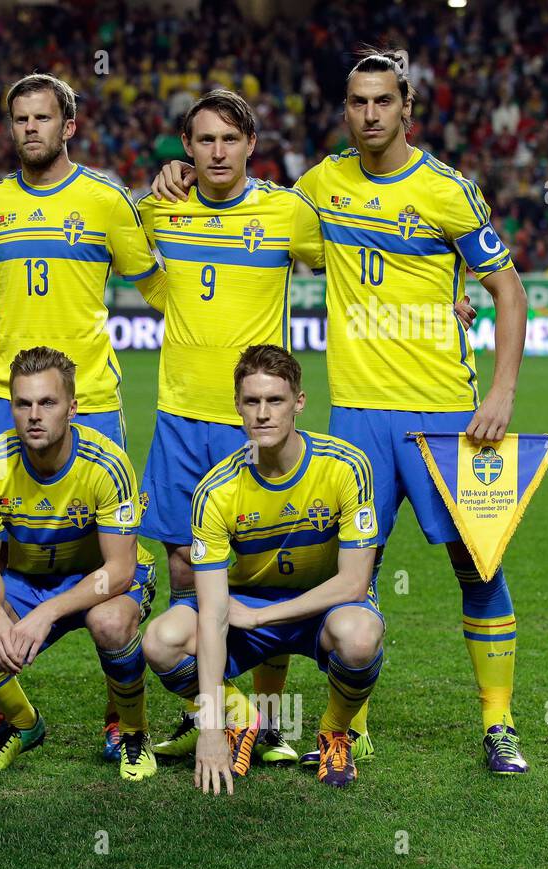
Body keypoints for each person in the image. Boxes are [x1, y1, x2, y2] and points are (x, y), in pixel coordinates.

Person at [151, 49, 525, 774]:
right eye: (357, 102)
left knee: (479, 565)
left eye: (383, 101)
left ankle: (499, 722)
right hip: (354, 413)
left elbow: (506, 289)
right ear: (345, 108)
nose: (370, 114)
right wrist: (177, 176)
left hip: (447, 410)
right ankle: (340, 727)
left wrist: (502, 392)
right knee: (359, 568)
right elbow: (252, 211)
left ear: (406, 107)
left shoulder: (450, 191)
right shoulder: (318, 187)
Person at [0, 72, 166, 761]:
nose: (31, 128)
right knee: (1, 547)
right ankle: (12, 707)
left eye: (43, 117)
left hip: (91, 397)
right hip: (2, 396)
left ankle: (116, 715)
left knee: (109, 556)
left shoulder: (104, 200)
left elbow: (159, 283)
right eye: (20, 118)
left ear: (69, 125)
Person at [136, 89, 325, 765]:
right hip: (180, 416)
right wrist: (148, 189)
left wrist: (442, 290)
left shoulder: (286, 212)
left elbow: (362, 268)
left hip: (255, 422)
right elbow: (122, 246)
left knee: (259, 568)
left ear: (251, 145)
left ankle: (265, 718)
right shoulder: (162, 207)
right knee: (185, 561)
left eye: (229, 139)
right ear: (186, 149)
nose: (216, 151)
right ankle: (209, 709)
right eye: (203, 140)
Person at [143, 346, 384, 791]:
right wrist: (211, 726)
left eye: (275, 400)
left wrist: (260, 617)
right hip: (248, 604)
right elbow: (214, 612)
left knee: (361, 636)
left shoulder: (347, 466)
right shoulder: (216, 490)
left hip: (323, 606)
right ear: (237, 406)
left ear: (299, 402)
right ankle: (241, 718)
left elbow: (354, 581)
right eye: (251, 401)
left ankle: (335, 732)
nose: (263, 413)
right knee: (161, 640)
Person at [0, 347, 158, 781]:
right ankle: (24, 724)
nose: (34, 415)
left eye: (47, 403)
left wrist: (46, 613)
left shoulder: (107, 464)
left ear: (72, 407)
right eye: (23, 403)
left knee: (110, 622)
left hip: (101, 579)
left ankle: (133, 732)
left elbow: (119, 569)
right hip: (29, 579)